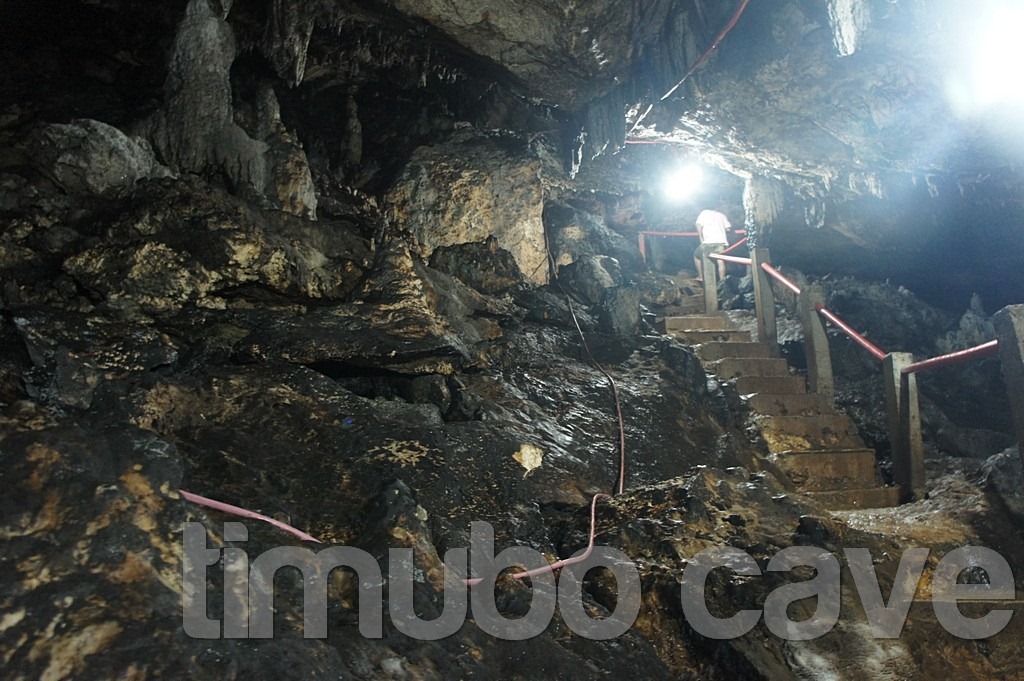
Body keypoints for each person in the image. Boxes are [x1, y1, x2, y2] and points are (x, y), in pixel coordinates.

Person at [693, 209, 730, 281]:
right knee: (720, 260)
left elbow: (698, 224)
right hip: (721, 242)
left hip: (708, 242)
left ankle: (702, 276)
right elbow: (728, 228)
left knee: (696, 255)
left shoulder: (704, 213)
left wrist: (701, 236)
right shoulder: (722, 215)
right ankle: (722, 281)